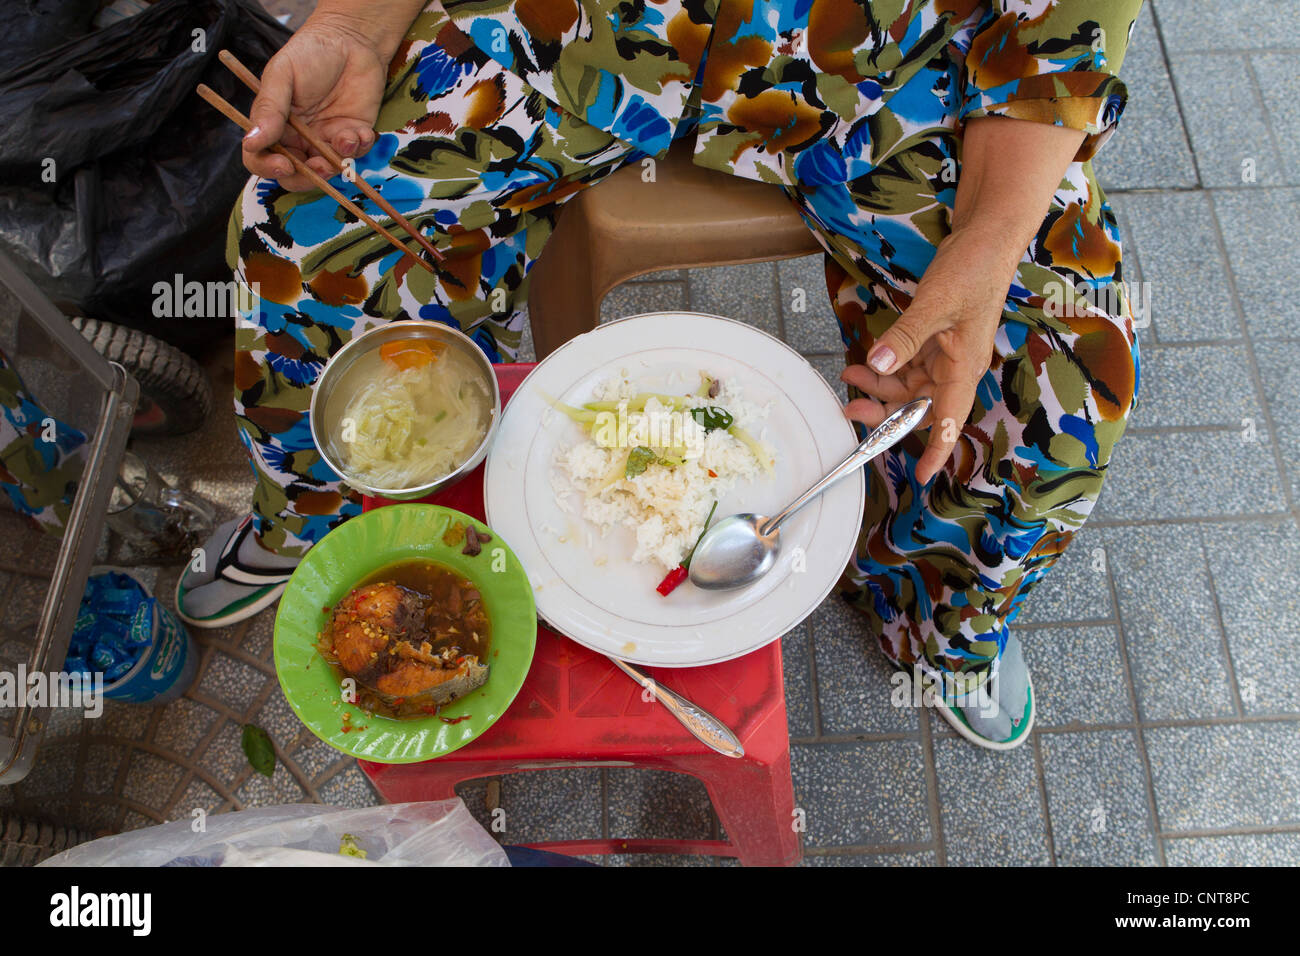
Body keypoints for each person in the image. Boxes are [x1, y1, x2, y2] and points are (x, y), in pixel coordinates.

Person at [177, 0, 1143, 751]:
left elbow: (1060, 30)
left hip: (905, 56)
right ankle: (323, 525)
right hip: (586, 23)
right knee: (298, 244)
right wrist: (353, 23)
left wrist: (987, 236)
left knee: (1063, 381)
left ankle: (935, 614)